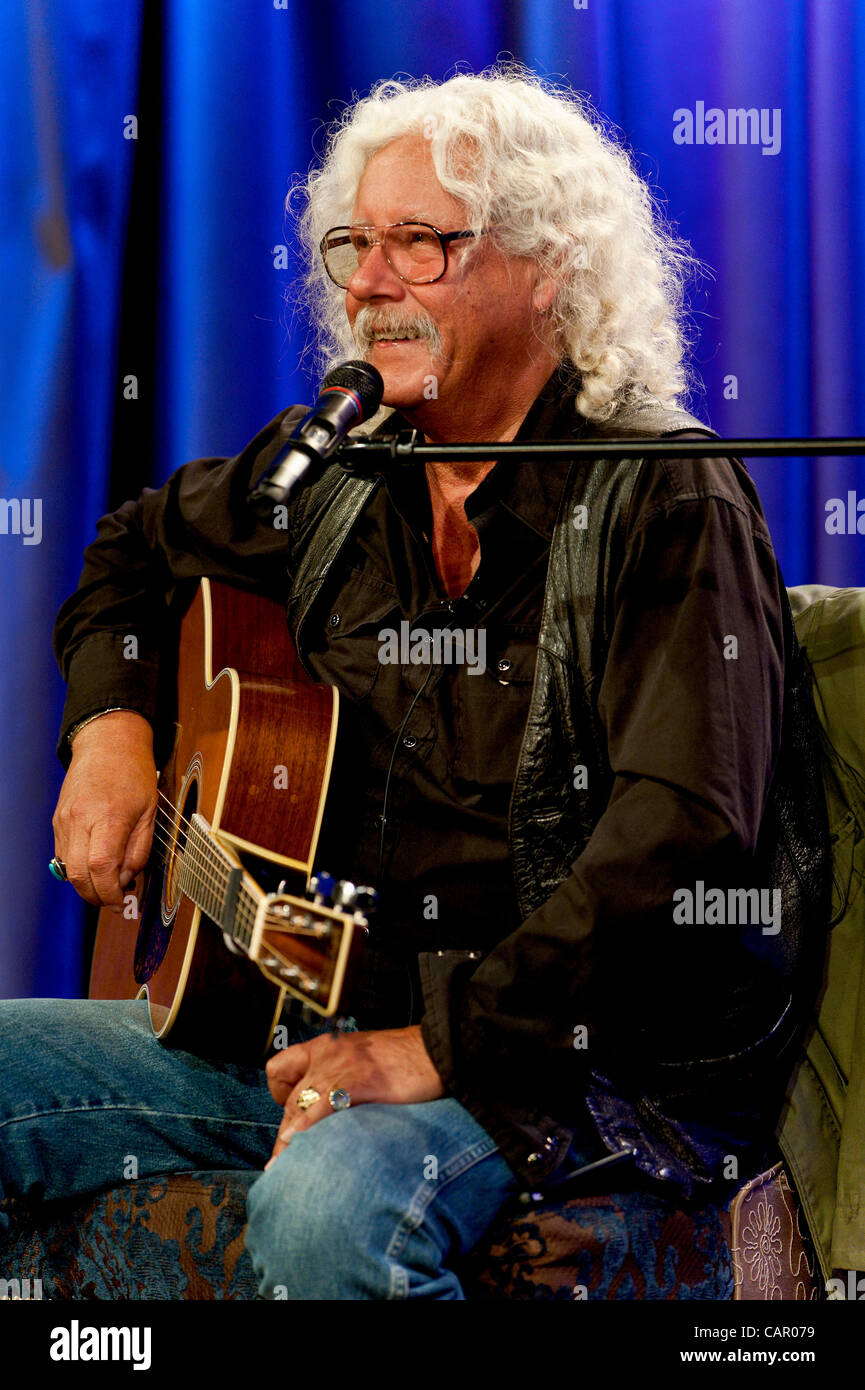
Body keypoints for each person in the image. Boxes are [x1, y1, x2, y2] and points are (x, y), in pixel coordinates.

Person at [2, 66, 829, 1300]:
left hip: (583, 1066)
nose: (368, 283)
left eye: (418, 244)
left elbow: (682, 837)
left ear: (544, 267)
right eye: (354, 243)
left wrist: (429, 1047)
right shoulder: (345, 472)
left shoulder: (663, 494)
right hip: (316, 1030)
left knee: (335, 1203)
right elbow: (134, 548)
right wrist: (110, 730)